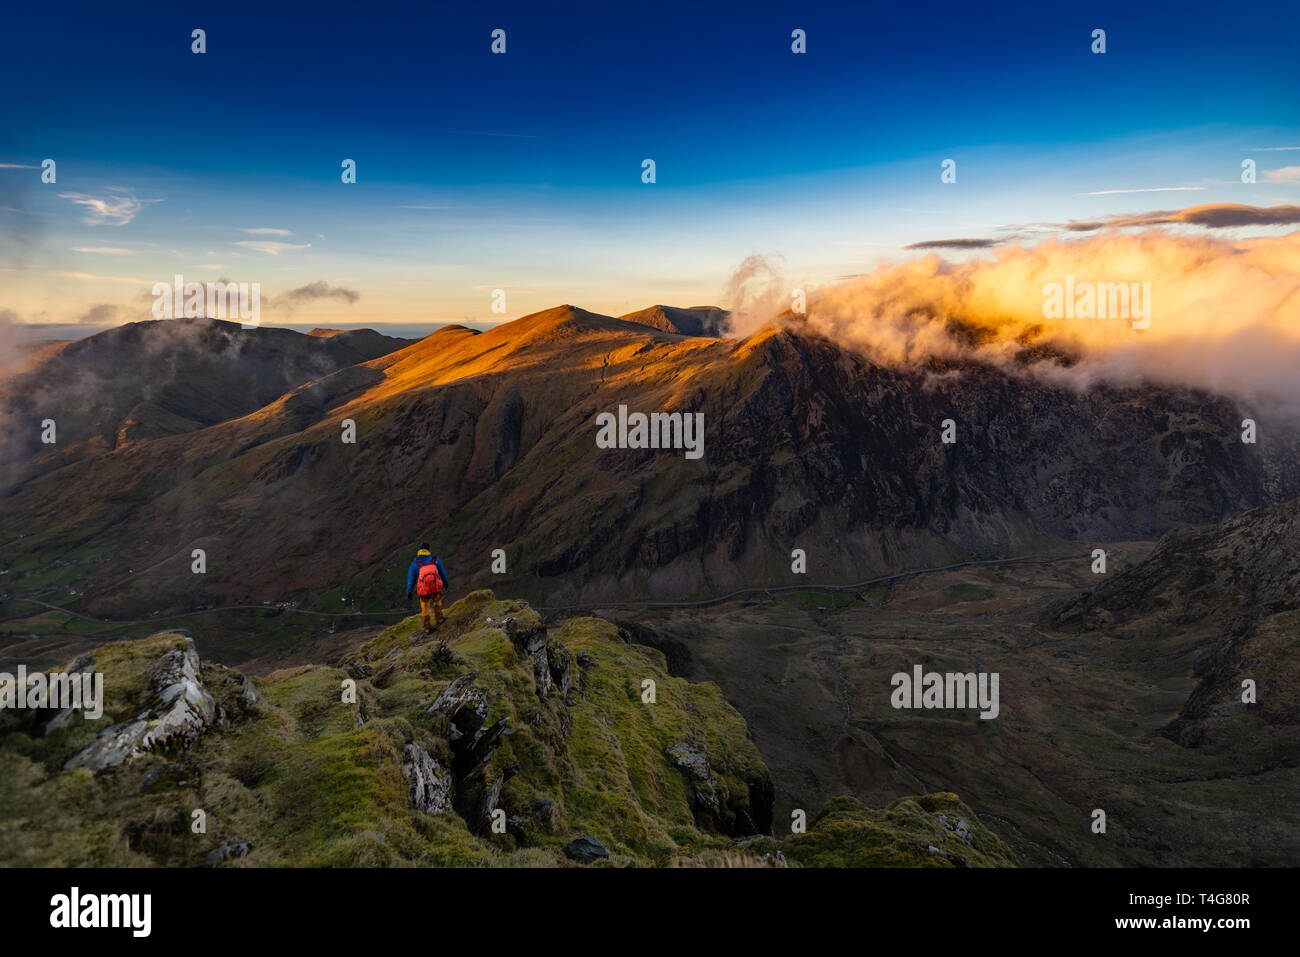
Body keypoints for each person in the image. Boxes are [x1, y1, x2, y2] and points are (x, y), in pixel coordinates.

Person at [405, 543, 450, 633]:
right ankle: (439, 619)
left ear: (419, 551)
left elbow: (411, 579)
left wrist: (409, 592)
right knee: (437, 602)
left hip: (423, 590)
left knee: (425, 607)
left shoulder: (415, 564)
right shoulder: (435, 560)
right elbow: (442, 572)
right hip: (435, 588)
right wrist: (446, 582)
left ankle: (427, 627)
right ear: (428, 550)